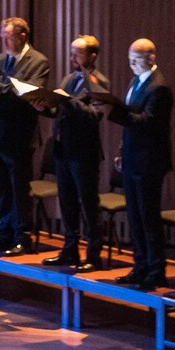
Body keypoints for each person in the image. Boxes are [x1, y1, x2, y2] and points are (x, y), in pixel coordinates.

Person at [105, 38, 174, 286]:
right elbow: (131, 125)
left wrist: (114, 111)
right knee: (134, 217)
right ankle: (140, 266)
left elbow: (148, 123)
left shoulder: (159, 88)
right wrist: (122, 150)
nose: (132, 64)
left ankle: (156, 272)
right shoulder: (136, 81)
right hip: (133, 158)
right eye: (130, 59)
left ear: (151, 58)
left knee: (148, 217)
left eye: (136, 59)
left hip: (149, 162)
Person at [0, 17, 51, 254]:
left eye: (8, 36)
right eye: (2, 35)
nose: (4, 40)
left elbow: (25, 92)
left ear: (22, 36)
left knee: (19, 188)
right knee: (1, 187)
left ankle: (22, 235)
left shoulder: (38, 61)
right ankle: (5, 232)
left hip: (19, 136)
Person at [48, 36, 112, 269]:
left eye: (78, 53)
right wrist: (45, 106)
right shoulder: (69, 78)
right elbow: (60, 109)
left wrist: (69, 101)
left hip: (84, 152)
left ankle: (93, 256)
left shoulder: (99, 81)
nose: (72, 57)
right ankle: (70, 250)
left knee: (88, 203)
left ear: (93, 56)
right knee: (66, 202)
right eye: (72, 52)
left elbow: (95, 115)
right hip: (63, 149)